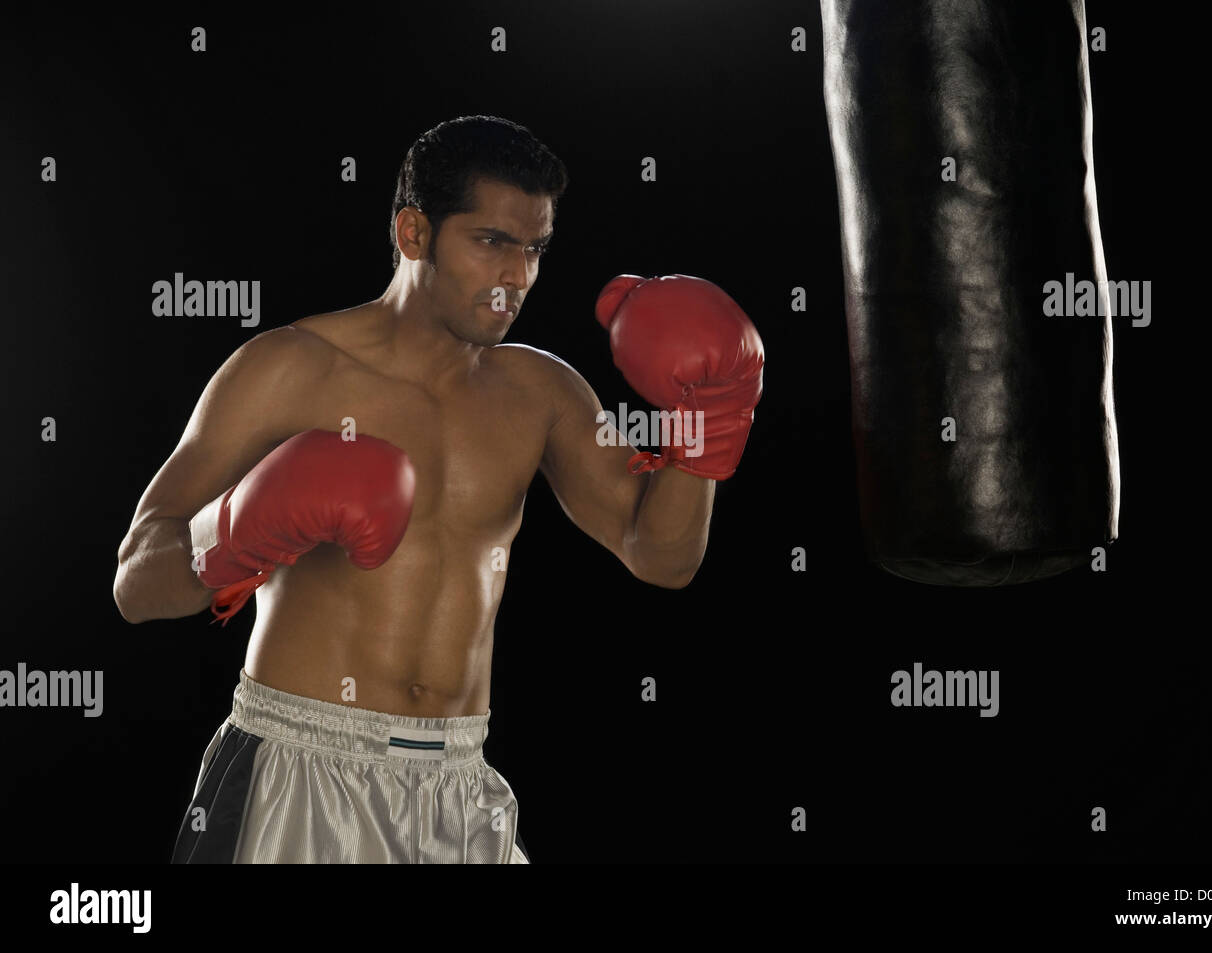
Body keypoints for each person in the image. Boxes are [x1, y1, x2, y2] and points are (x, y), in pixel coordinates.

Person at [112, 115, 763, 864]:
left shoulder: (541, 391)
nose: (517, 276)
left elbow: (662, 557)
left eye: (535, 249)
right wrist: (229, 532)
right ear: (414, 231)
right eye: (491, 242)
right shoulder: (290, 368)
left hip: (458, 785)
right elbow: (135, 580)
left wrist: (702, 427)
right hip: (299, 768)